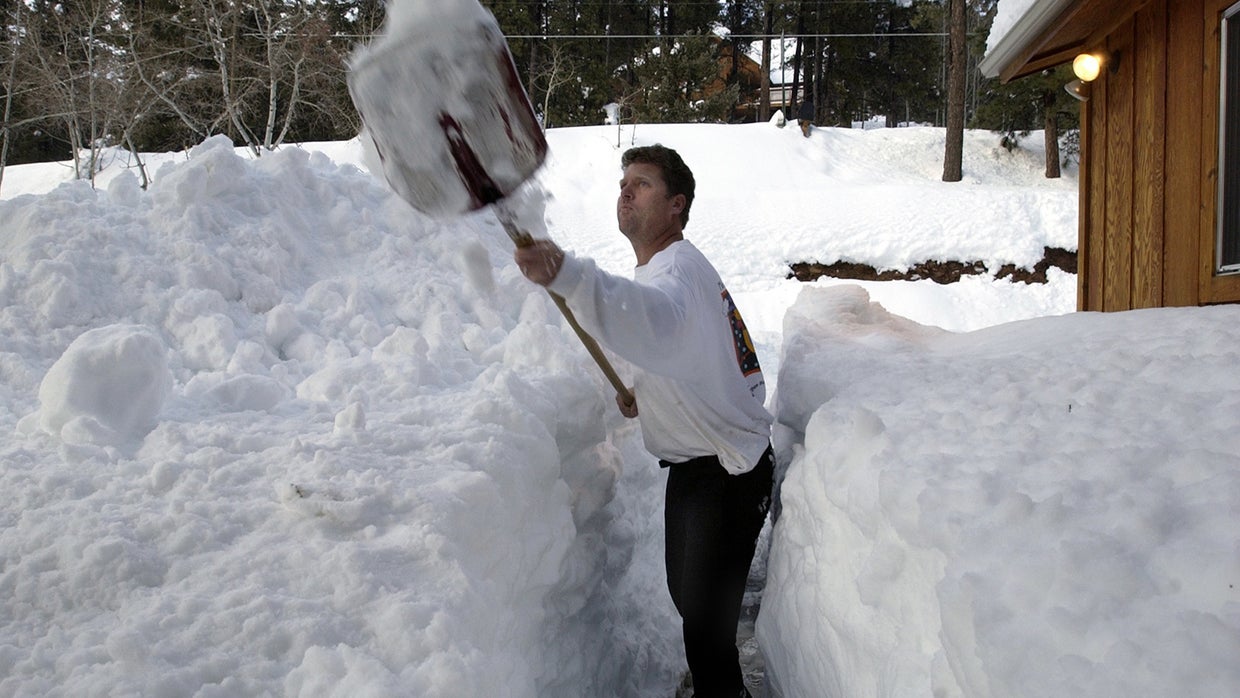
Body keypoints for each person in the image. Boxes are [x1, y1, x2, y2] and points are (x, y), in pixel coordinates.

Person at [514, 144, 774, 698]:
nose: (626, 190)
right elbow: (688, 353)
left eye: (644, 183)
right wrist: (649, 394)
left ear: (677, 205)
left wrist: (571, 277)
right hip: (696, 467)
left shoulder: (675, 275)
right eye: (623, 181)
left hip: (728, 471)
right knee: (689, 599)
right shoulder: (670, 270)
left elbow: (657, 323)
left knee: (706, 628)